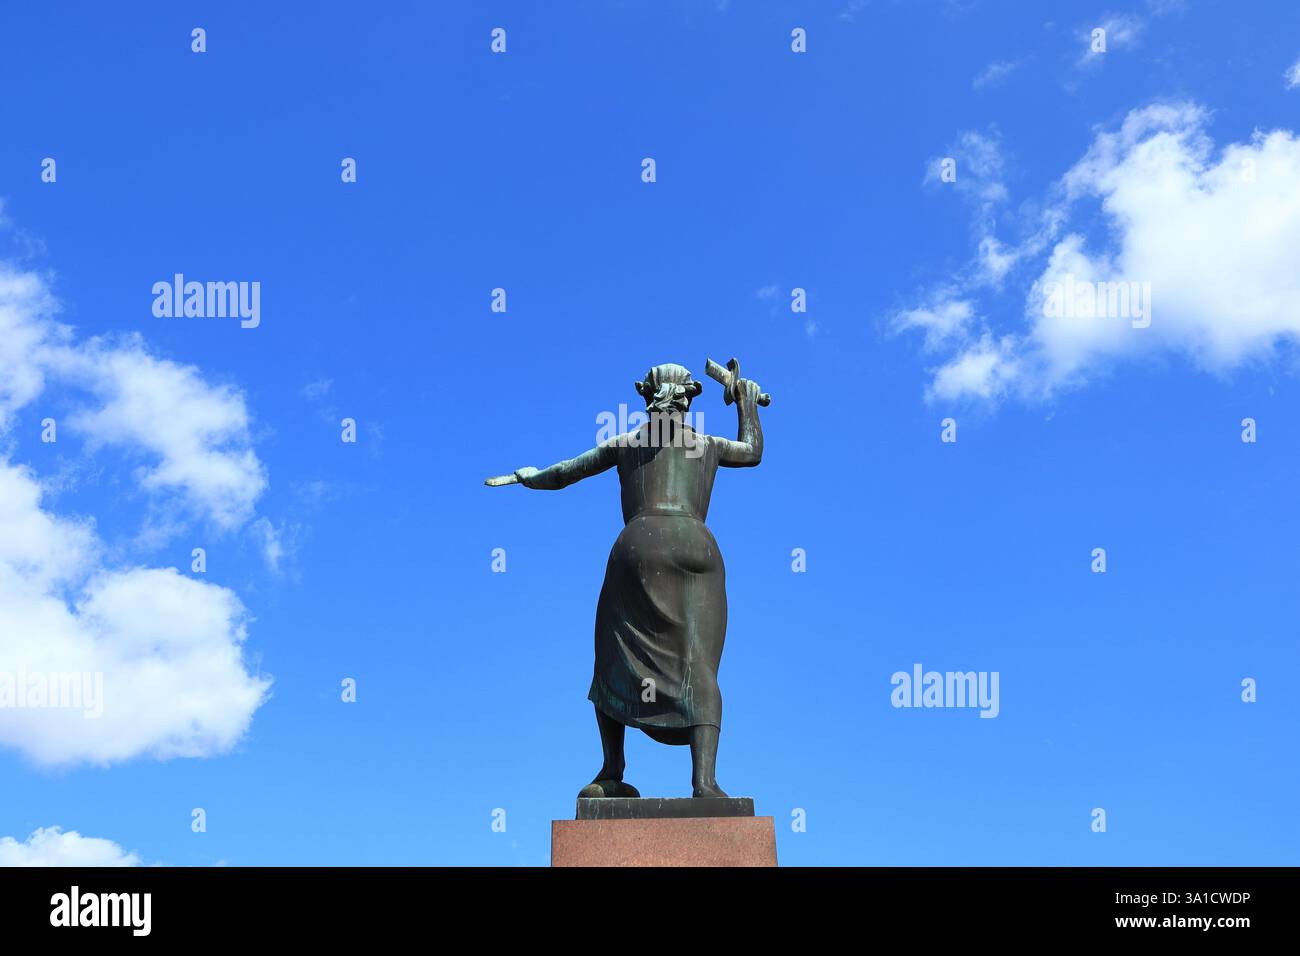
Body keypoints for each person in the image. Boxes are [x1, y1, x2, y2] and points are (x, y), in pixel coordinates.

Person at [510, 363, 763, 798]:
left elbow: (566, 471)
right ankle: (705, 783)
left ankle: (611, 768)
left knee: (613, 656)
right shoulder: (708, 445)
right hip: (695, 550)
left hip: (637, 550)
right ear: (691, 397)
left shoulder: (626, 443)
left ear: (646, 395)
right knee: (698, 663)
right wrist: (747, 403)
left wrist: (529, 477)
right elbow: (752, 449)